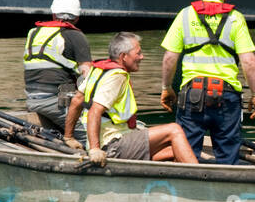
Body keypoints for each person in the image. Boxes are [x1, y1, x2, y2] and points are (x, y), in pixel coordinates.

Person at [159, 0, 255, 165]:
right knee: (227, 157)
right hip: (227, 97)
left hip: (192, 95)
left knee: (185, 154)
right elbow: (249, 61)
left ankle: (188, 190)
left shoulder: (185, 15)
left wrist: (166, 87)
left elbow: (170, 57)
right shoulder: (235, 18)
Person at [64, 32, 197, 165]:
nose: (142, 57)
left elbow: (76, 101)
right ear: (123, 56)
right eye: (138, 53)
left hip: (118, 140)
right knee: (174, 130)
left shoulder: (97, 70)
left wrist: (69, 137)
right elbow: (94, 111)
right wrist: (94, 149)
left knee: (176, 151)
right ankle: (202, 177)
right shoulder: (117, 76)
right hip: (113, 145)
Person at [24, 0, 92, 141]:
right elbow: (88, 78)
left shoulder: (33, 33)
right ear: (77, 17)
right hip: (57, 104)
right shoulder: (75, 36)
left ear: (53, 14)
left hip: (31, 99)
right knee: (91, 137)